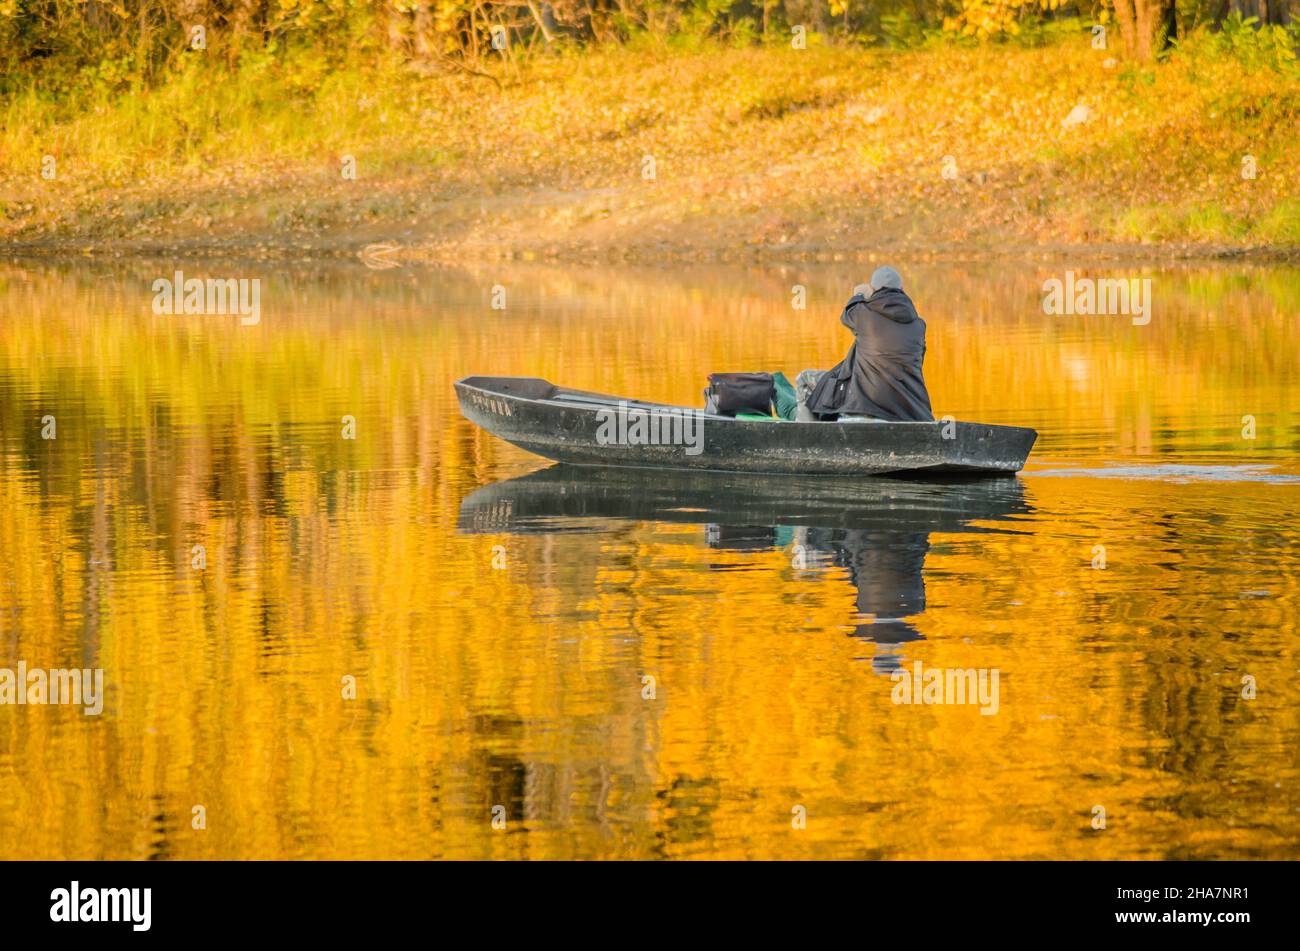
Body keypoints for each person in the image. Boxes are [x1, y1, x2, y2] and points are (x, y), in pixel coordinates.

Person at [800, 266, 934, 423]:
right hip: (913, 410)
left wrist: (858, 294)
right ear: (902, 289)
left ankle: (805, 438)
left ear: (872, 290)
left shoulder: (864, 316)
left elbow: (846, 314)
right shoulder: (918, 326)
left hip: (866, 406)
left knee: (803, 379)